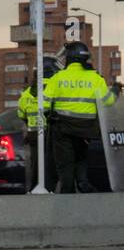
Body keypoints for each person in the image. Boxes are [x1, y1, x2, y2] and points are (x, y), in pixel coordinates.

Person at [44, 41, 116, 194]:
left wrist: (47, 115)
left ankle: (68, 195)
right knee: (81, 159)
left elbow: (43, 104)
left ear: (69, 58)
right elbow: (108, 101)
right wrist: (115, 90)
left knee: (65, 164)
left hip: (62, 129)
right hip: (86, 129)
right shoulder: (95, 78)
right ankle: (83, 184)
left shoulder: (58, 78)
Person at [18, 56, 60, 190]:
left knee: (36, 166)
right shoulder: (56, 89)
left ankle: (35, 189)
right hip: (53, 134)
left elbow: (21, 115)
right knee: (54, 165)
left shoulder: (26, 94)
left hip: (34, 134)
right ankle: (52, 189)